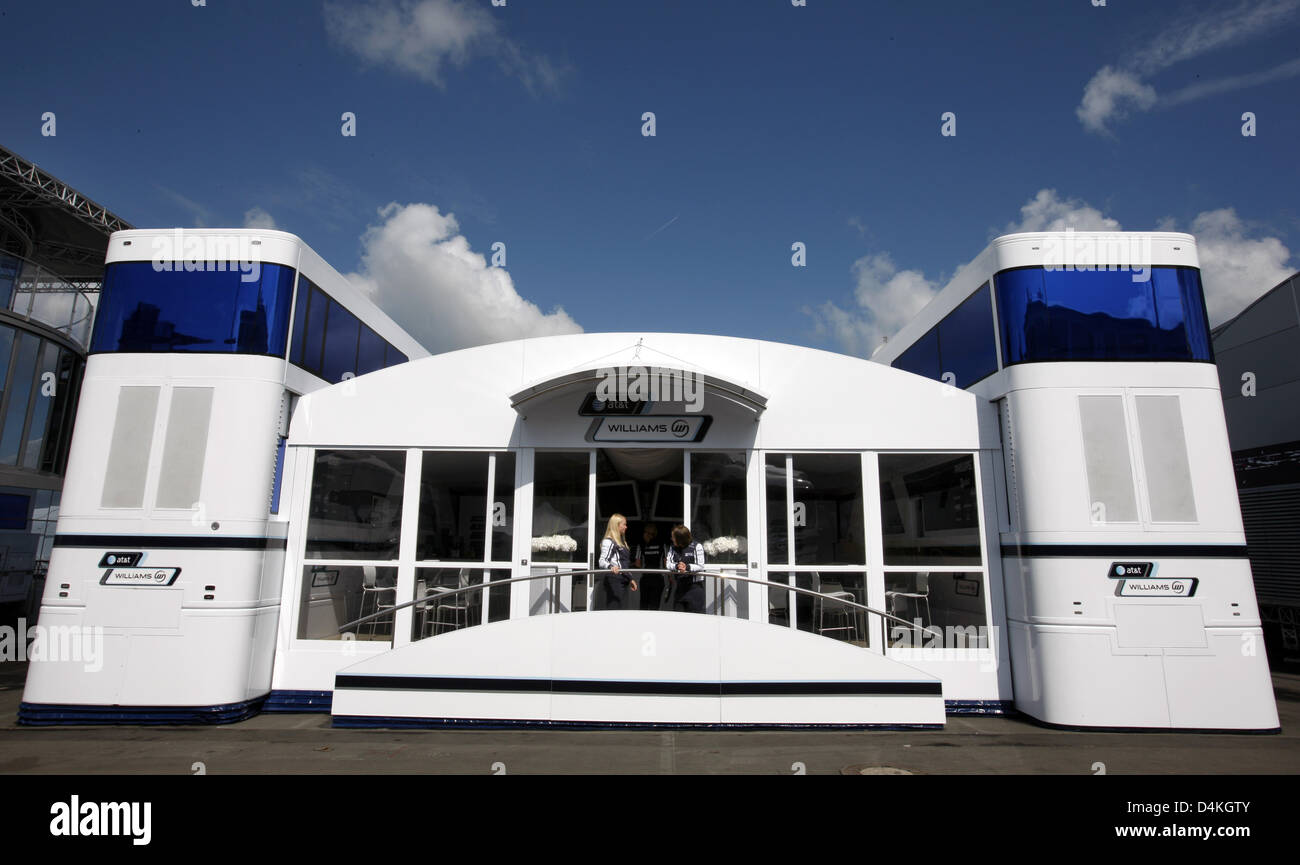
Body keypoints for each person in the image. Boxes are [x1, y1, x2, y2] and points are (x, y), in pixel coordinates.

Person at [597, 513, 637, 610]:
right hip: (614, 580)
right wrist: (611, 567)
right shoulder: (609, 541)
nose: (626, 527)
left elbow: (624, 563)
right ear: (616, 525)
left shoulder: (622, 541)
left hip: (623, 580)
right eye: (624, 524)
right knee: (615, 610)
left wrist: (630, 578)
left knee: (622, 610)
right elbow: (602, 561)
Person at [666, 524, 706, 614]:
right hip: (680, 588)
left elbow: (700, 565)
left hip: (695, 589)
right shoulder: (672, 548)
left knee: (696, 619)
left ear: (680, 539)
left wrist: (687, 567)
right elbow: (668, 564)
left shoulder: (697, 546)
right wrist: (677, 566)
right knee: (678, 617)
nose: (672, 539)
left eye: (673, 537)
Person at [633, 523, 667, 611]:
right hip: (658, 578)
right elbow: (666, 563)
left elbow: (637, 564)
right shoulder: (662, 544)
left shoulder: (641, 545)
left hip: (645, 578)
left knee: (643, 606)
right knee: (655, 606)